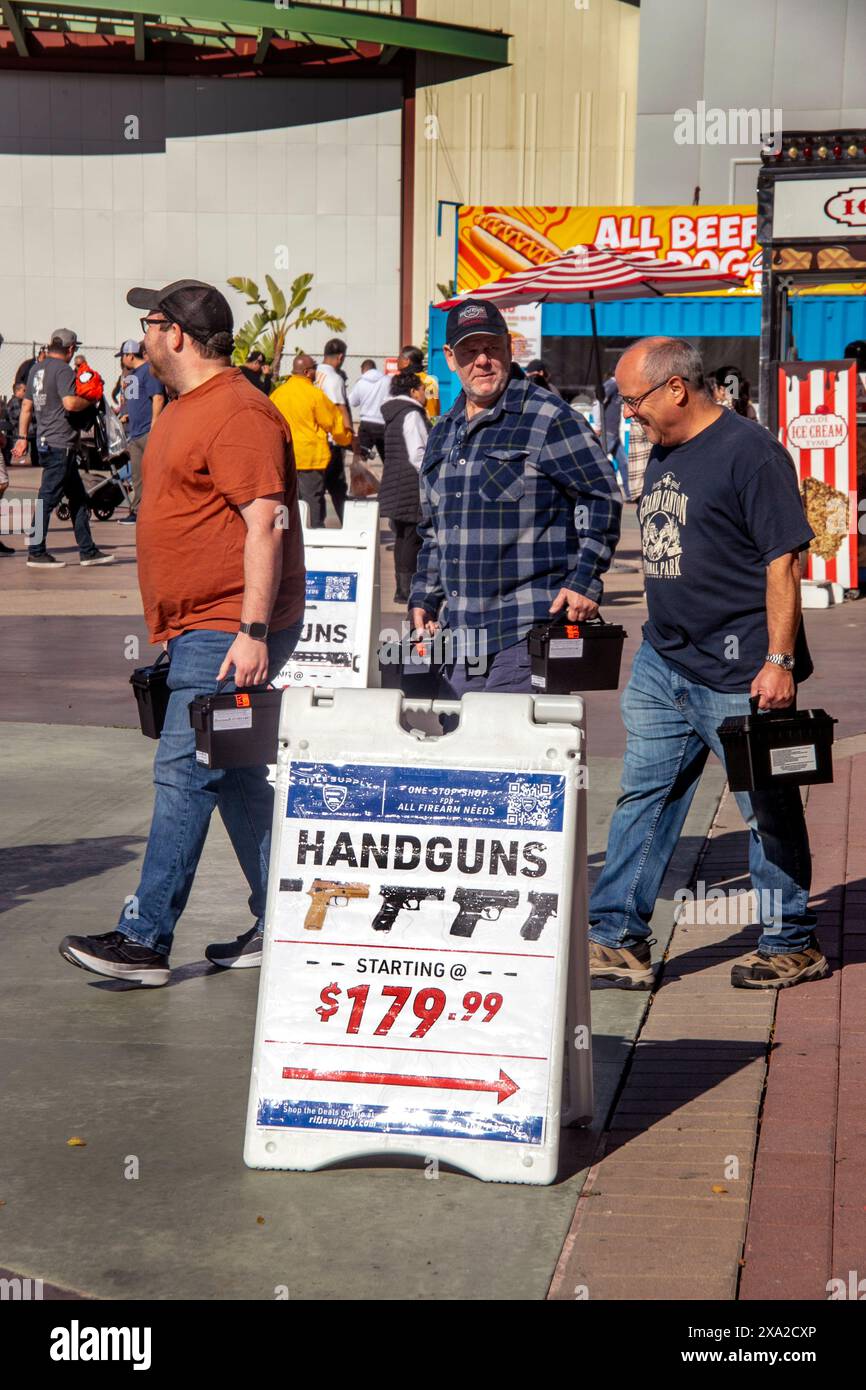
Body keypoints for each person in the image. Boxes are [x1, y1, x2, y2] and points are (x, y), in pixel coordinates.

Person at [58, 278, 306, 985]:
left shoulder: (239, 412)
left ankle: (146, 938)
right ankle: (284, 916)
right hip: (197, 626)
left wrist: (252, 631)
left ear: (176, 333)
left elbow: (267, 522)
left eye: (149, 321)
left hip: (228, 625)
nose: (140, 333)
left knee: (184, 768)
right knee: (231, 775)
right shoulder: (183, 406)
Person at [588, 335, 826, 993]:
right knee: (647, 798)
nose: (628, 413)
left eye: (634, 400)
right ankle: (617, 937)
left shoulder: (750, 454)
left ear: (675, 388)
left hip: (742, 671)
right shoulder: (662, 451)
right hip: (665, 661)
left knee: (766, 810)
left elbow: (784, 561)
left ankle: (790, 941)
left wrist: (779, 661)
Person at [409, 298, 621, 695]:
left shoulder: (549, 418)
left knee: (514, 752)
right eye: (471, 351)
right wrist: (425, 593)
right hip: (461, 638)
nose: (483, 361)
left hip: (526, 631)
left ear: (509, 347)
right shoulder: (443, 431)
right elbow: (434, 529)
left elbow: (602, 498)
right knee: (461, 750)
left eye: (492, 348)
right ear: (451, 358)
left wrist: (584, 580)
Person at [12, 329, 115, 570]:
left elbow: (27, 406)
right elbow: (70, 402)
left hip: (46, 441)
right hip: (60, 444)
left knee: (79, 499)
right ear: (70, 350)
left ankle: (88, 551)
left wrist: (22, 437)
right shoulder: (63, 370)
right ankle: (36, 551)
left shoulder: (36, 369)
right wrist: (90, 400)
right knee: (47, 499)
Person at [270, 353, 353, 527]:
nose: (317, 372)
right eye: (314, 368)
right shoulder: (315, 395)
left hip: (284, 457)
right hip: (310, 458)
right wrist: (346, 439)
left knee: (287, 500)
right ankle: (313, 534)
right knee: (312, 499)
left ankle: (286, 534)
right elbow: (333, 422)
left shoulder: (277, 395)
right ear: (307, 372)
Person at [380, 370, 430, 603]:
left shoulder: (393, 414)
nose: (426, 396)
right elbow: (417, 452)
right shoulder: (411, 414)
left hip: (395, 483)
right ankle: (407, 590)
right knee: (411, 538)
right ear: (413, 391)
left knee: (401, 537)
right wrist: (430, 477)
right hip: (411, 484)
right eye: (423, 390)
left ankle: (402, 589)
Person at [116, 338, 165, 523]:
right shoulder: (131, 375)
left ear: (130, 355)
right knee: (137, 475)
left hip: (146, 431)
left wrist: (154, 424)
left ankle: (154, 511)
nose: (122, 360)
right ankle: (137, 511)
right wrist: (124, 416)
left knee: (153, 473)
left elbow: (158, 398)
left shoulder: (148, 371)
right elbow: (129, 403)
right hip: (134, 433)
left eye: (123, 356)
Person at [316, 337, 354, 523]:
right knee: (338, 486)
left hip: (314, 439)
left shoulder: (312, 374)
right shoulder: (334, 378)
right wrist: (351, 436)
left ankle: (316, 524)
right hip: (332, 440)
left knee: (317, 487)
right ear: (340, 357)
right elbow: (341, 408)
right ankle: (347, 523)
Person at [348, 359, 390, 461]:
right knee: (387, 459)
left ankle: (363, 475)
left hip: (366, 425)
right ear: (374, 367)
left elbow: (353, 402)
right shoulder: (387, 380)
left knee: (361, 457)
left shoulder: (360, 382)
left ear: (362, 369)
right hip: (383, 424)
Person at [398, 344, 440, 420]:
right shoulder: (430, 380)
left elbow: (432, 413)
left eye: (399, 357)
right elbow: (433, 411)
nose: (397, 360)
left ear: (407, 361)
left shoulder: (428, 381)